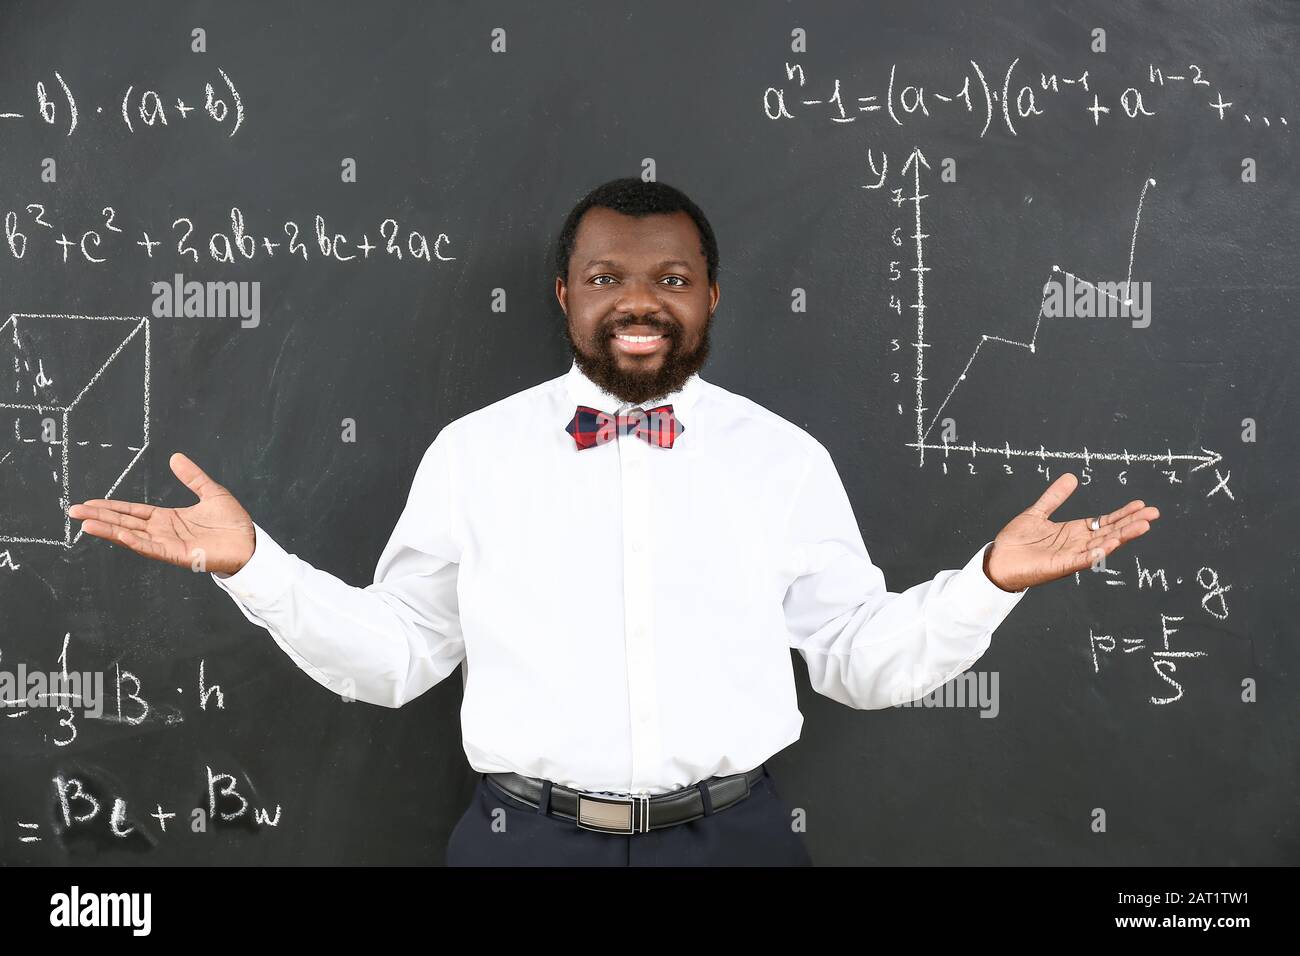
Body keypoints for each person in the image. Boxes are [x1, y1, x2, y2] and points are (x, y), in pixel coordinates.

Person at [68, 177, 1160, 866]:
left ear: (712, 296)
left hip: (736, 840)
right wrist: (251, 564)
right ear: (564, 295)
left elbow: (854, 660)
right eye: (606, 276)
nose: (639, 300)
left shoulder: (781, 459)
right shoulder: (475, 452)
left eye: (671, 277)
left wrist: (990, 580)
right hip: (520, 843)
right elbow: (396, 658)